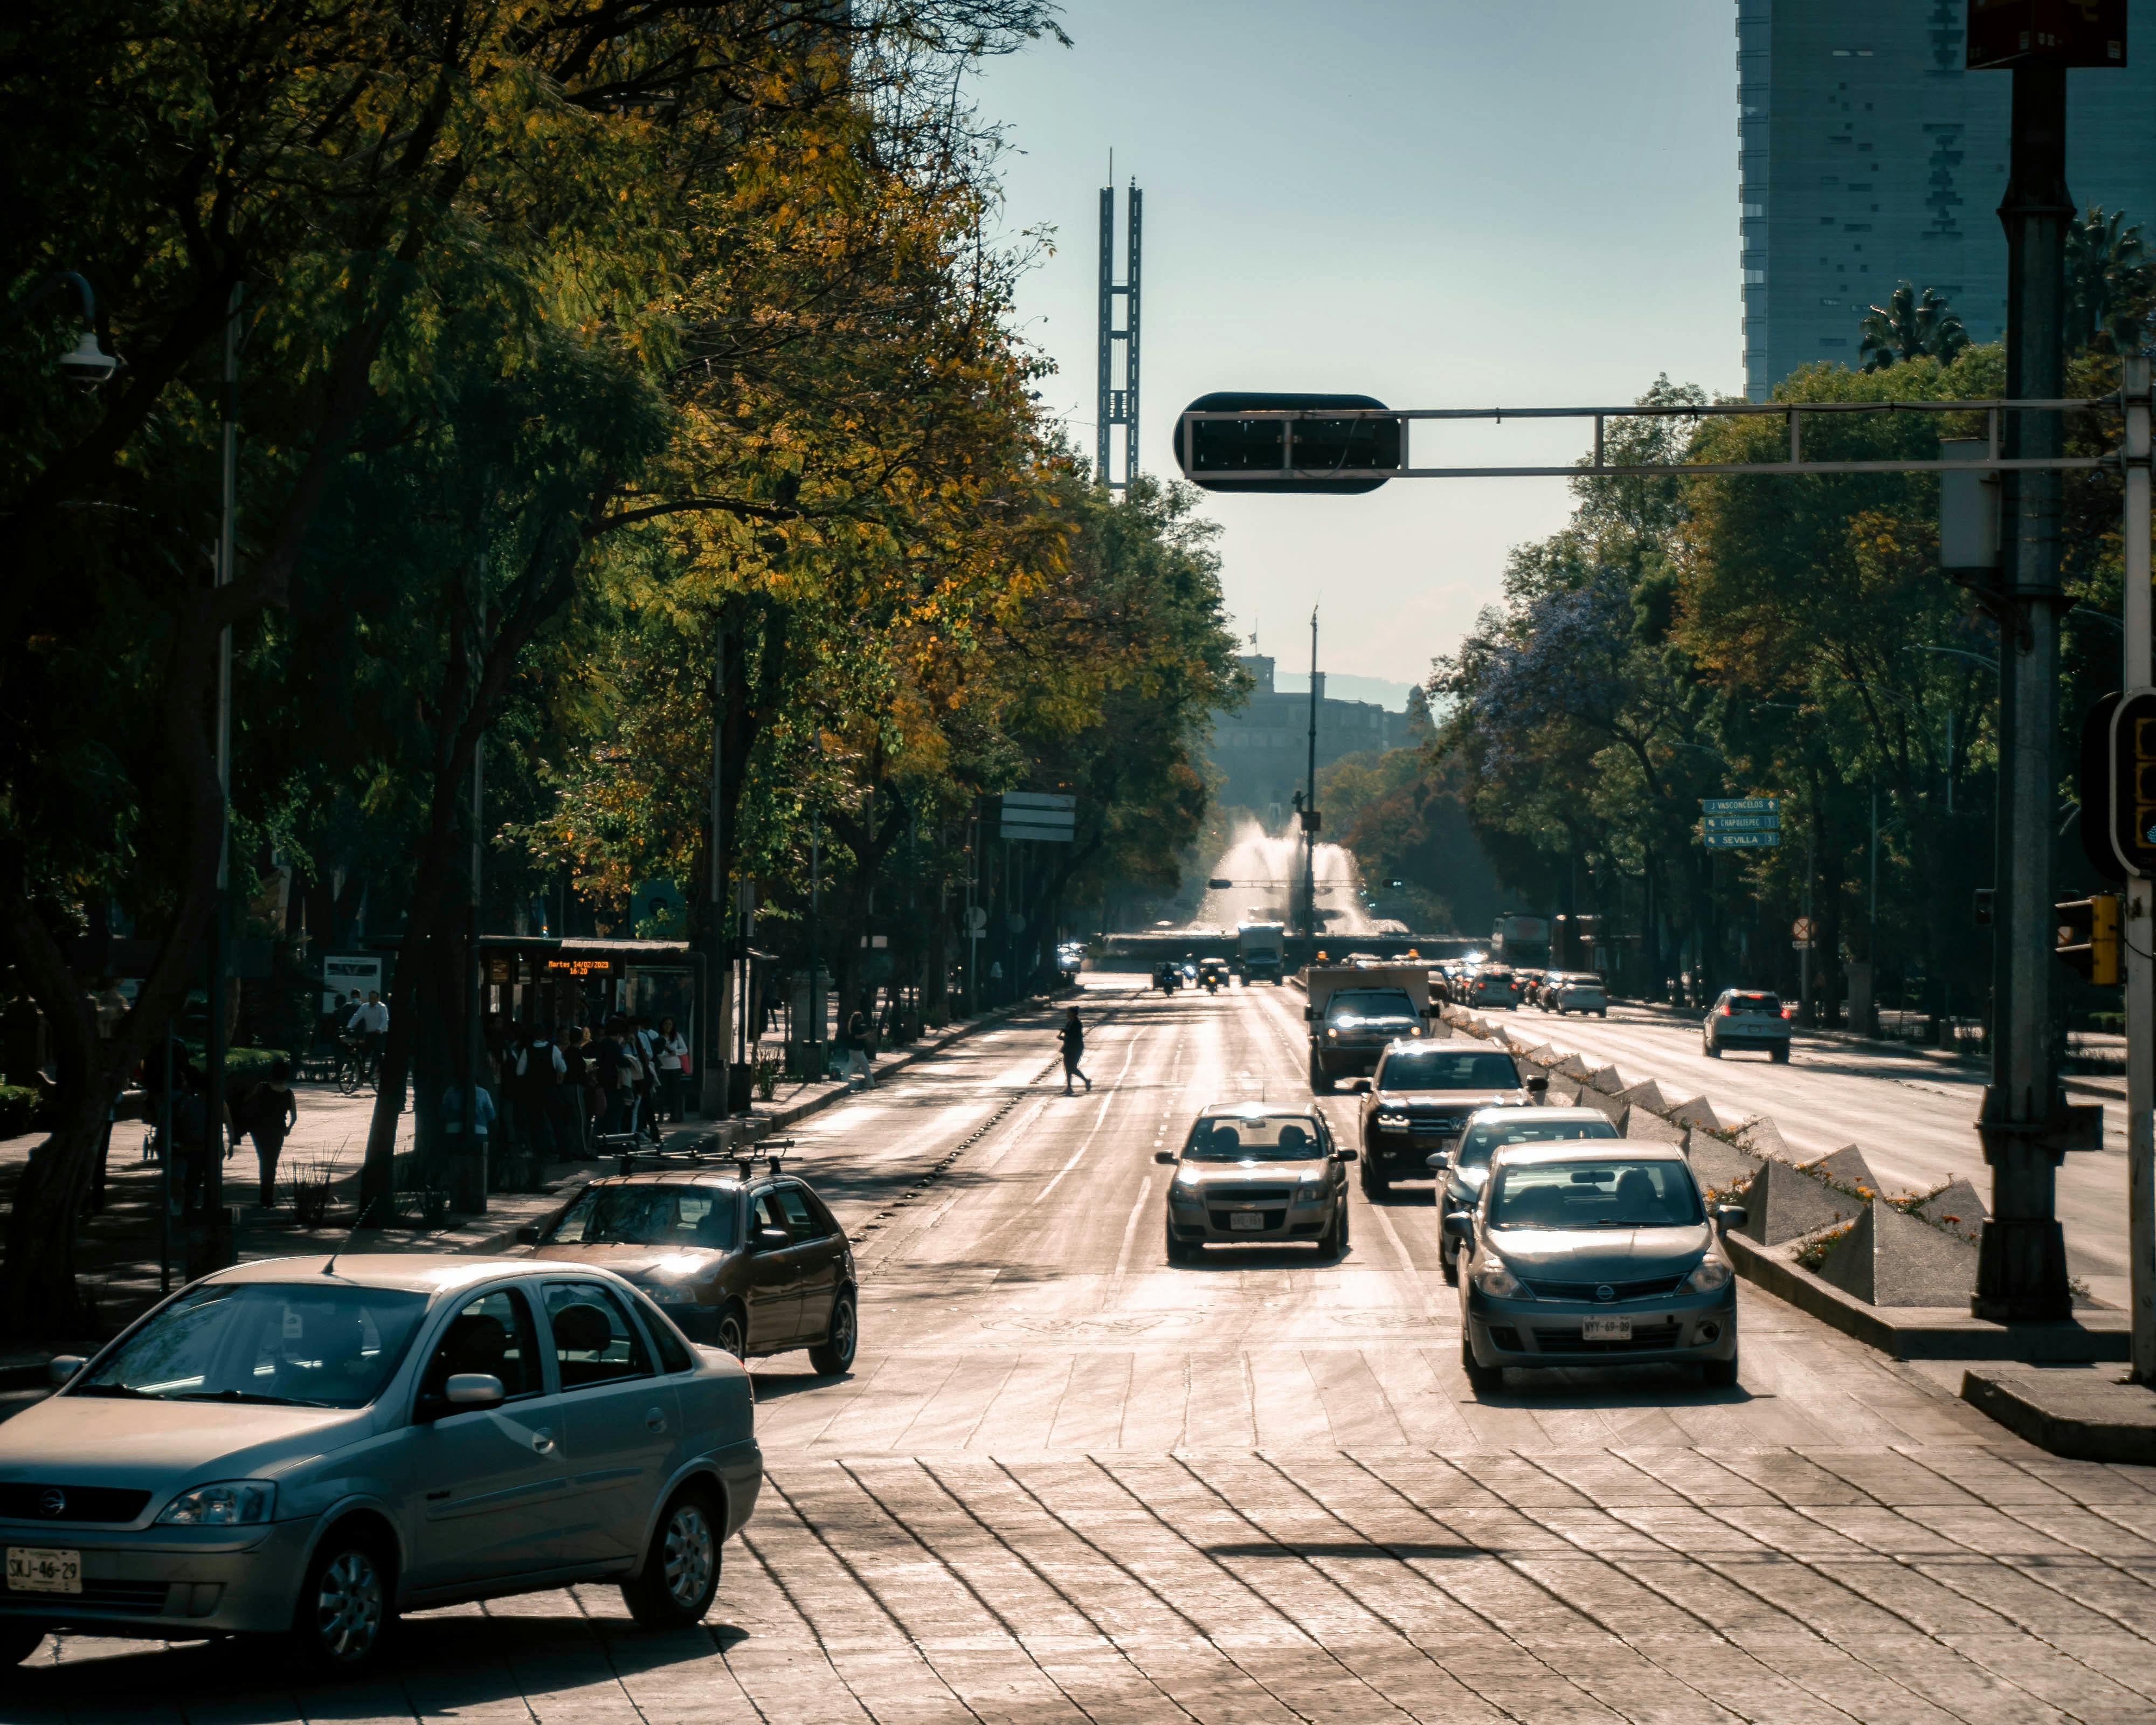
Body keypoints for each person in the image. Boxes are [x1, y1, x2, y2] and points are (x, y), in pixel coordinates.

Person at [238, 1058, 300, 1206]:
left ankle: (265, 1195)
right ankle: (267, 1196)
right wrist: (288, 1128)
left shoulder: (262, 1087)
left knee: (264, 1159)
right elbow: (294, 1117)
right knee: (272, 1161)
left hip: (259, 1128)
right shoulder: (288, 1093)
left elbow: (246, 1100)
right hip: (277, 1130)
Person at [345, 989, 389, 1079]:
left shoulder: (382, 1007)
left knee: (378, 1051)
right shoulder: (365, 1007)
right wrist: (350, 1026)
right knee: (364, 1053)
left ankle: (380, 1071)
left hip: (380, 1033)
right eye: (370, 998)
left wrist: (380, 1029)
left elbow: (385, 1020)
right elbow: (357, 1016)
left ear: (377, 999)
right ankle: (362, 1075)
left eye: (374, 998)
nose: (372, 1000)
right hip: (369, 1033)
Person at [654, 1016, 689, 1122]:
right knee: (662, 1093)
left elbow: (684, 1050)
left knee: (675, 1093)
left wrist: (675, 1052)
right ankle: (661, 1116)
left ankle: (675, 1116)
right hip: (663, 1068)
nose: (668, 1026)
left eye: (670, 1024)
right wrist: (666, 1054)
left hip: (675, 1068)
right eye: (666, 1024)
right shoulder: (658, 1037)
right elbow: (657, 1053)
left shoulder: (677, 1036)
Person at [1058, 1008, 1090, 1095]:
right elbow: (1068, 1036)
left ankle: (1086, 1081)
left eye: (1068, 1012)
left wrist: (1064, 1033)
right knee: (1067, 1067)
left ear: (1073, 1013)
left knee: (1072, 1068)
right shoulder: (1070, 1023)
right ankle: (1069, 1087)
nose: (1067, 1014)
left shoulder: (1077, 1024)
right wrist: (1063, 1036)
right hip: (1068, 1048)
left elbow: (1074, 1036)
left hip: (1076, 1048)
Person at [841, 1004, 875, 1089]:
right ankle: (871, 1084)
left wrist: (867, 1037)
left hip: (854, 1050)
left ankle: (843, 1080)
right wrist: (868, 1035)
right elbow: (857, 1037)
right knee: (866, 1067)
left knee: (850, 1066)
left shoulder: (853, 1026)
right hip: (857, 1050)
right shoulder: (856, 1027)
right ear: (859, 1018)